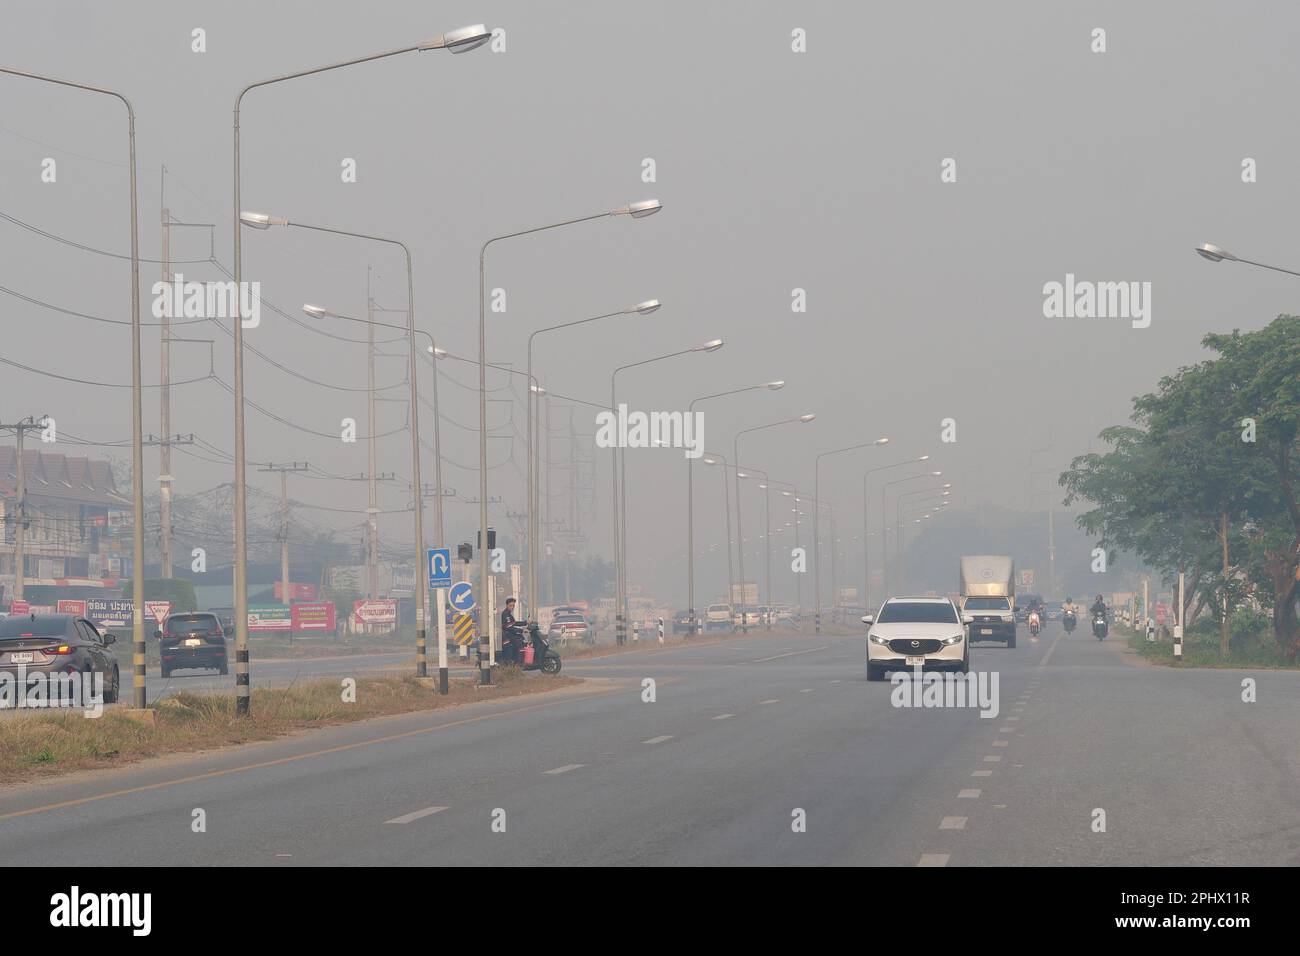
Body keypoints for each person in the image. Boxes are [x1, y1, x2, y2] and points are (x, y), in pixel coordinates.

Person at [500, 597, 528, 665]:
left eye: (513, 605)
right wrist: (522, 630)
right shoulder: (506, 614)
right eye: (511, 605)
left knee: (521, 641)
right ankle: (518, 666)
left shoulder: (508, 614)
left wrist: (525, 622)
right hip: (507, 636)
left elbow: (514, 623)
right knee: (520, 646)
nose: (512, 607)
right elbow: (510, 628)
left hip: (509, 635)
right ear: (507, 605)